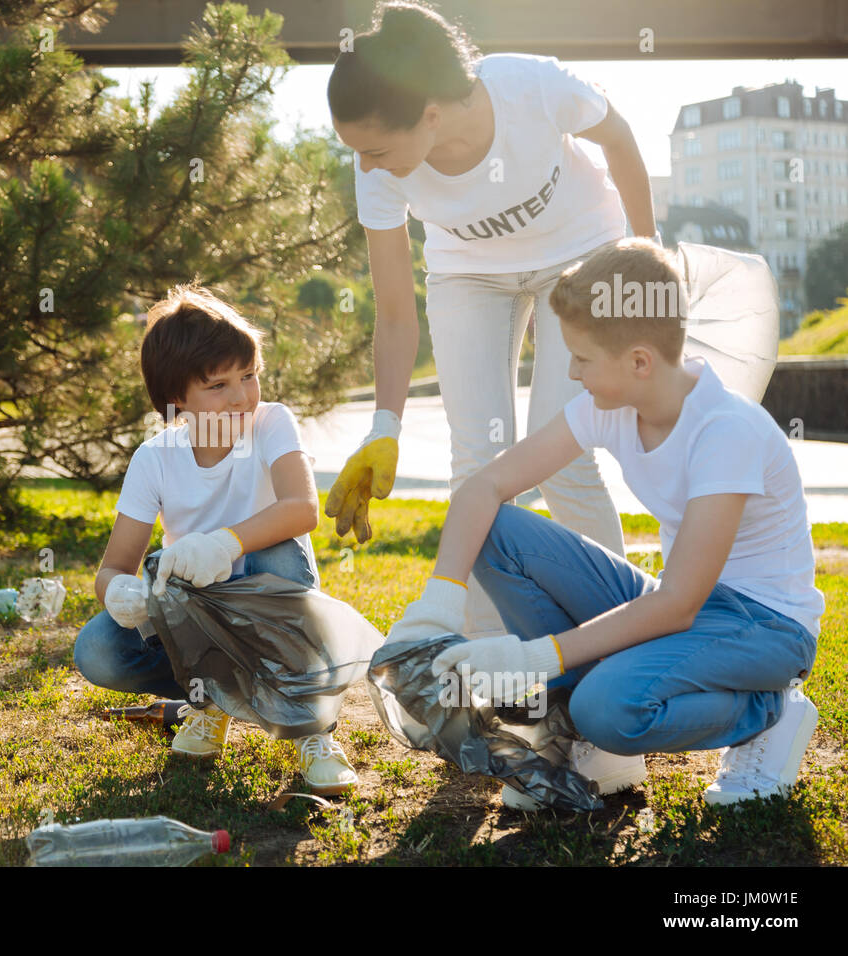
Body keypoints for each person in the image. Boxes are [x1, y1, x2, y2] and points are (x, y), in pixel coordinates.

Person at [387, 239, 822, 808]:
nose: (571, 371)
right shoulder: (609, 406)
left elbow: (679, 605)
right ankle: (576, 734)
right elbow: (484, 487)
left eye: (582, 358)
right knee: (497, 529)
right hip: (683, 603)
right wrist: (438, 602)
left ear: (639, 362)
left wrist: (536, 656)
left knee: (608, 710)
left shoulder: (726, 431)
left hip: (765, 626)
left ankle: (767, 712)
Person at [327, 0, 658, 636]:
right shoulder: (380, 171)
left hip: (581, 256)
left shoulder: (532, 86)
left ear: (428, 114)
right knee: (476, 461)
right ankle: (481, 656)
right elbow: (396, 314)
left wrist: (647, 262)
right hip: (469, 274)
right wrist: (383, 426)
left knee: (563, 455)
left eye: (374, 148)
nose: (365, 165)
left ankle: (620, 636)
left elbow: (618, 137)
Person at [73, 283, 360, 795]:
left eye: (248, 376)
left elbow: (302, 509)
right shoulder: (155, 458)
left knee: (274, 541)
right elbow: (114, 566)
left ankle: (313, 730)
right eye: (218, 385)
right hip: (199, 626)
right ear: (176, 398)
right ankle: (210, 701)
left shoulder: (271, 422)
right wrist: (120, 593)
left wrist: (225, 544)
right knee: (97, 648)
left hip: (275, 612)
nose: (241, 396)